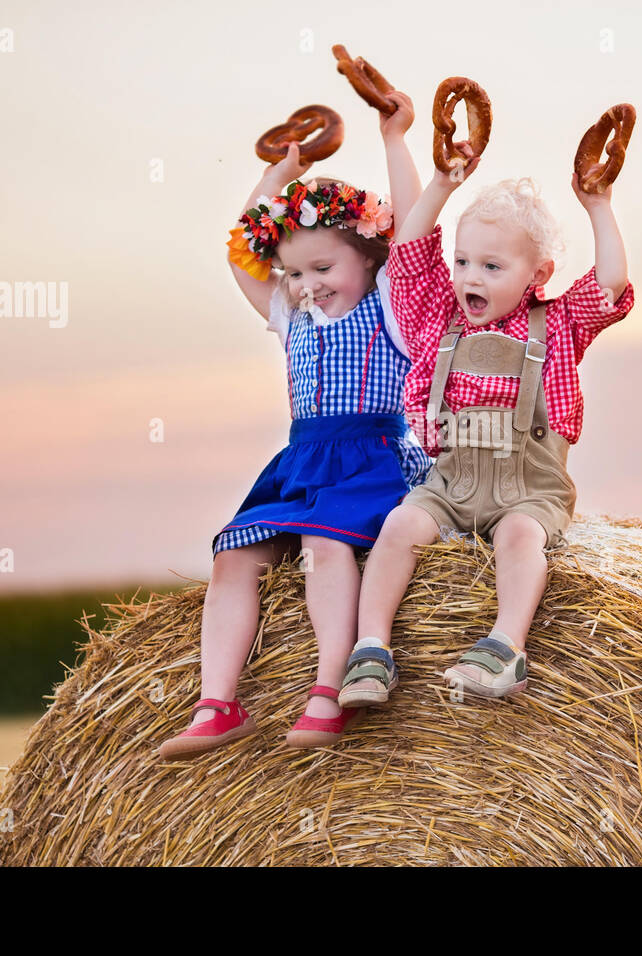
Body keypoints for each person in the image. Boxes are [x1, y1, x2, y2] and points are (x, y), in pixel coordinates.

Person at [159, 92, 431, 758]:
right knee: (233, 556)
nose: (306, 283)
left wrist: (395, 139)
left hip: (371, 459)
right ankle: (217, 704)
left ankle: (328, 688)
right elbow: (241, 257)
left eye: (322, 268)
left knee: (325, 544)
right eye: (294, 271)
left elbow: (418, 232)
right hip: (301, 464)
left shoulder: (389, 308)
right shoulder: (292, 315)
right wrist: (279, 177)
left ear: (372, 259)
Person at [339, 143, 635, 706]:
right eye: (463, 261)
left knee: (521, 536)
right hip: (449, 486)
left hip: (529, 490)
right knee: (399, 527)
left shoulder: (559, 325)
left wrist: (598, 204)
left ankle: (506, 646)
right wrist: (443, 184)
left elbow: (612, 286)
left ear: (538, 274)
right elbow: (407, 252)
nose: (470, 276)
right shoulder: (435, 317)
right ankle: (370, 648)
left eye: (492, 267)